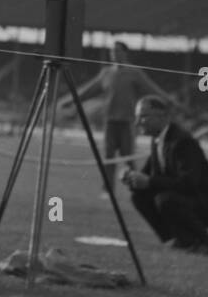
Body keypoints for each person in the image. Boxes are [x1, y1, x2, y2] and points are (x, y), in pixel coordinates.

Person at [122, 95, 208, 255]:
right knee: (139, 196)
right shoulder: (159, 139)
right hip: (190, 197)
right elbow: (147, 174)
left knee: (165, 199)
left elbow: (189, 183)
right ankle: (179, 239)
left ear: (163, 116)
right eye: (137, 118)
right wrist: (130, 177)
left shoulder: (182, 141)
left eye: (143, 117)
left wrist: (149, 181)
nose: (138, 123)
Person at [62, 42, 175, 193]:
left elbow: (151, 88)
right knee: (108, 158)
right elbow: (89, 90)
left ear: (125, 53)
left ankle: (135, 188)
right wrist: (71, 100)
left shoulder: (135, 73)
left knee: (128, 158)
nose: (114, 54)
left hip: (128, 121)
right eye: (112, 51)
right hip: (110, 121)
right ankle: (107, 190)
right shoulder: (106, 73)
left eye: (117, 51)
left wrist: (167, 100)